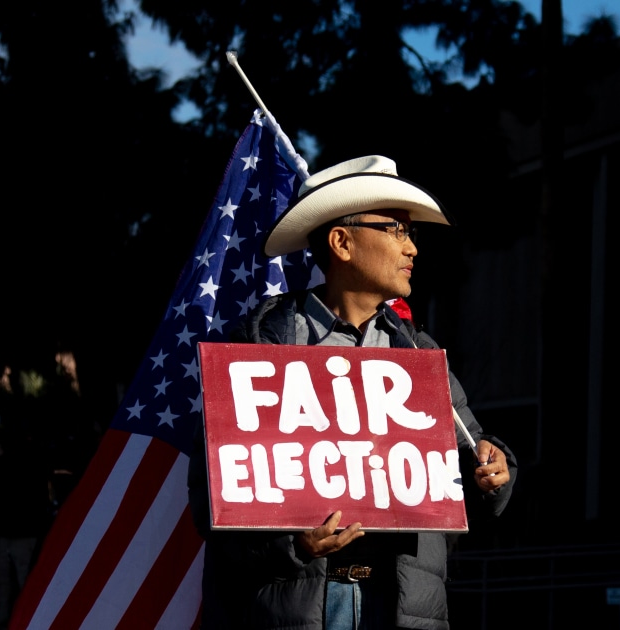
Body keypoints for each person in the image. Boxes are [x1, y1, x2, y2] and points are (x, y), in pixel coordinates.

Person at [189, 155, 517, 629]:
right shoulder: (257, 353)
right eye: (396, 230)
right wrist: (294, 547)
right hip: (296, 609)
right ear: (341, 242)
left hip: (399, 605)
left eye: (412, 235)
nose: (412, 250)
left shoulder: (421, 357)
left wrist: (493, 472)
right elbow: (211, 502)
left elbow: (473, 470)